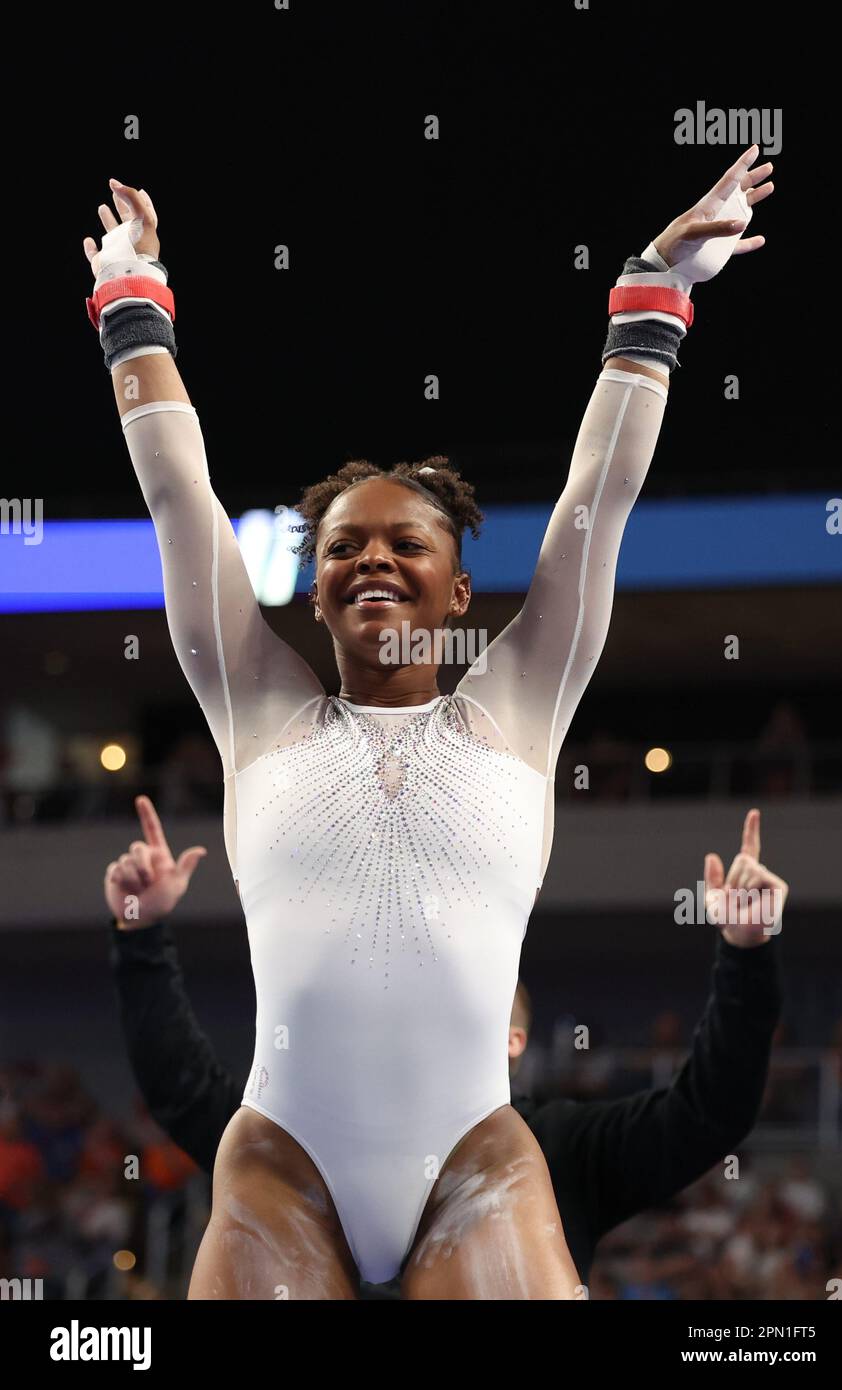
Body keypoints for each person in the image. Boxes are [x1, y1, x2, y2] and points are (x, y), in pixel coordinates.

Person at [83, 146, 774, 1298]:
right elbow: (175, 496)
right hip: (281, 1162)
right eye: (342, 545)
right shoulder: (258, 714)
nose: (370, 560)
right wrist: (129, 302)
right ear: (311, 590)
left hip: (475, 1157)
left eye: (407, 544)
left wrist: (656, 293)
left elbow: (592, 508)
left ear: (458, 592)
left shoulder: (516, 704)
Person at [106, 799, 785, 1298]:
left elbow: (710, 1115)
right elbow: (180, 1087)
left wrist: (746, 958)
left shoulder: (564, 1148)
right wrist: (140, 935)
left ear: (513, 1040)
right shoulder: (294, 1131)